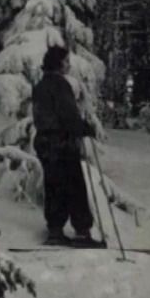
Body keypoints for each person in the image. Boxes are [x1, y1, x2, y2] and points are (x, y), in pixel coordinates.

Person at [32, 46, 105, 248]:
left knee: (54, 185)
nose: (68, 65)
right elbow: (68, 115)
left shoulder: (41, 85)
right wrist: (84, 128)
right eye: (66, 61)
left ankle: (55, 229)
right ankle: (82, 232)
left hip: (44, 142)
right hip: (61, 142)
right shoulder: (60, 85)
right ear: (58, 63)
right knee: (75, 186)